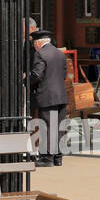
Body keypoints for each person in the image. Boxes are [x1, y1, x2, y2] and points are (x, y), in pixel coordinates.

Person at [28, 28, 67, 166]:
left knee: (48, 125)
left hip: (47, 95)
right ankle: (58, 157)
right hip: (61, 95)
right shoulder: (60, 54)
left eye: (34, 43)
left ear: (38, 43)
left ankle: (47, 157)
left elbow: (37, 75)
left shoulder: (40, 54)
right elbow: (63, 75)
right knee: (59, 126)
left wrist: (26, 80)